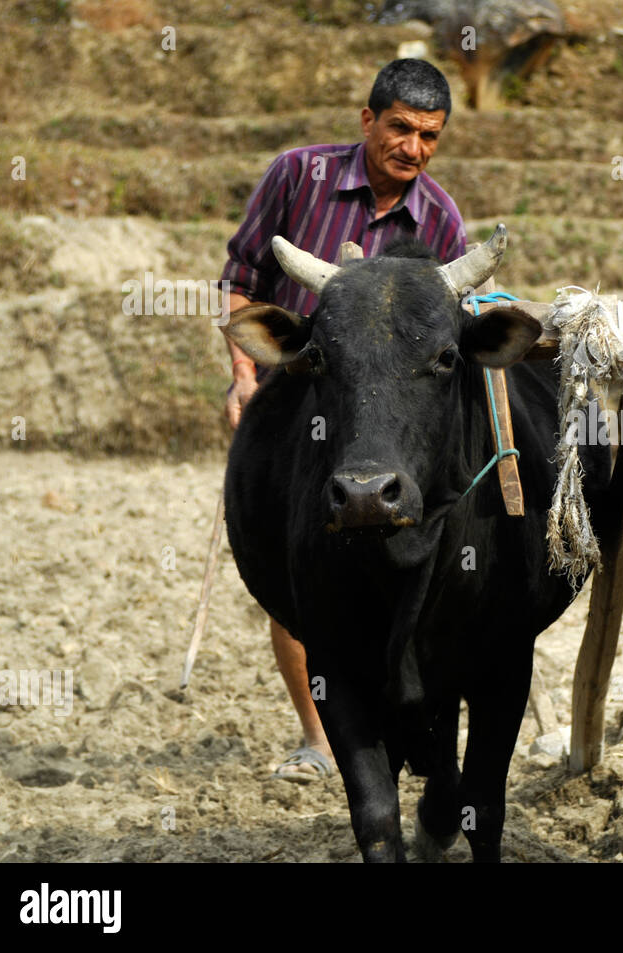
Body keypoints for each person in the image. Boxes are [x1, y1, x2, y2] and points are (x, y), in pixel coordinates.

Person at [219, 58, 467, 781]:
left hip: (389, 426)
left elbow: (445, 336)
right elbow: (242, 280)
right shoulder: (298, 175)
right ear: (367, 120)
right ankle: (319, 735)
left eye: (429, 136)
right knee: (297, 571)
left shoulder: (442, 219)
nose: (413, 148)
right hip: (297, 408)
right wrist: (242, 379)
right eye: (399, 128)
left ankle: (399, 716)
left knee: (407, 563)